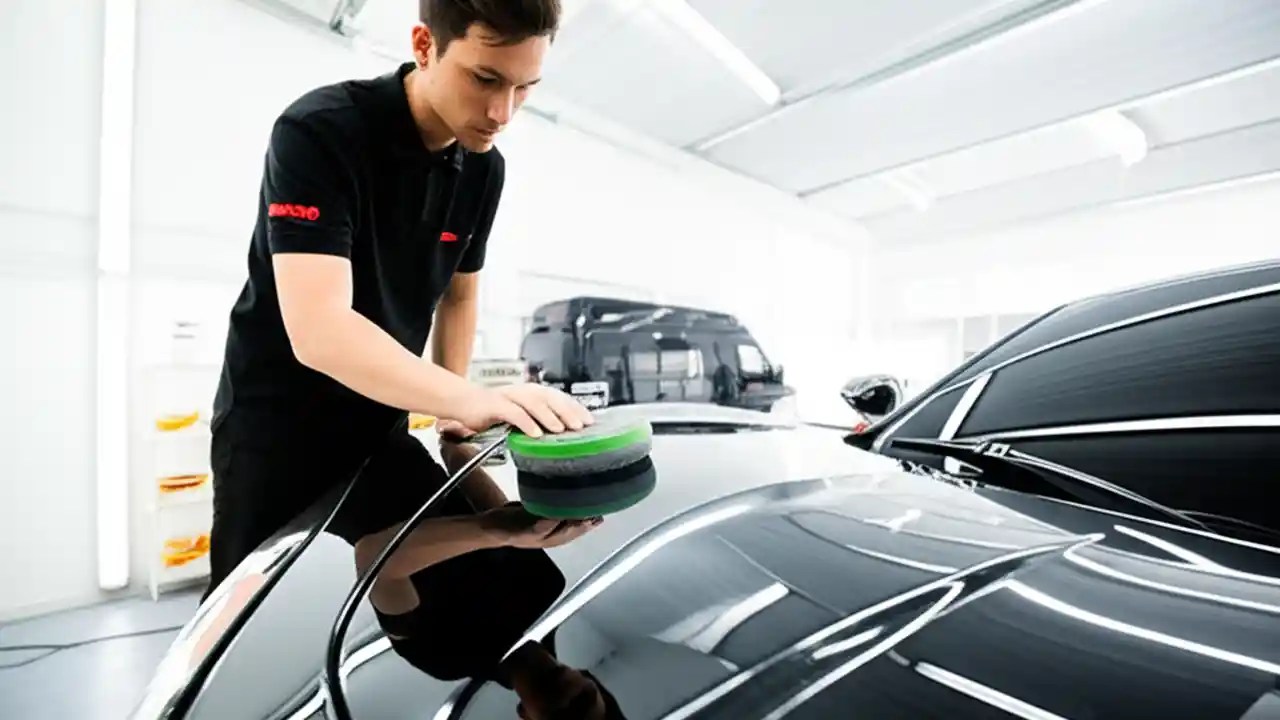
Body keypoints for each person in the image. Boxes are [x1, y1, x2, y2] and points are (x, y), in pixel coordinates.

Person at [204, 0, 588, 599]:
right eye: (485, 78)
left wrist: (453, 417)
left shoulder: (483, 169)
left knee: (484, 588)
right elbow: (320, 329)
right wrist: (475, 397)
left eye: (524, 87)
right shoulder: (320, 131)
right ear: (424, 45)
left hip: (380, 432)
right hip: (274, 438)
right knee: (250, 633)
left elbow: (459, 296)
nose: (501, 112)